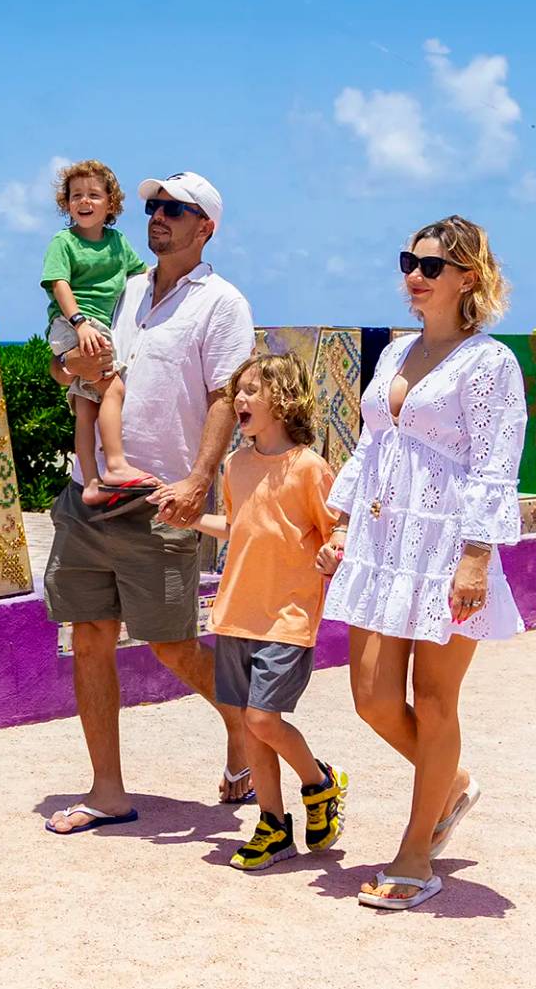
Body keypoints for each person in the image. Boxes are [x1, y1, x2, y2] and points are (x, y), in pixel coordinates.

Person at [314, 215, 526, 910]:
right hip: (383, 542)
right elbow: (373, 444)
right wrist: (341, 519)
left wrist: (474, 557)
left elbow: (496, 464)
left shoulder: (489, 361)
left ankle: (414, 852)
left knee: (435, 702)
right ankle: (452, 782)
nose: (414, 274)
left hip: (447, 547)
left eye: (431, 266)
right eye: (409, 261)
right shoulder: (396, 353)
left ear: (468, 277)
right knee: (372, 694)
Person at [43, 171, 259, 834]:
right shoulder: (132, 290)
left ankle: (240, 718)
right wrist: (62, 370)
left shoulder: (222, 303)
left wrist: (199, 480)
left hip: (165, 498)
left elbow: (228, 396)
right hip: (95, 495)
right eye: (152, 206)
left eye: (173, 207)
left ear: (205, 227)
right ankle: (107, 790)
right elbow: (98, 373)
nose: (156, 215)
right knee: (89, 637)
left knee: (170, 642)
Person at [191, 352, 349, 870]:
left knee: (263, 717)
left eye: (252, 390)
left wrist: (333, 552)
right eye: (238, 390)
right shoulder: (236, 464)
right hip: (236, 611)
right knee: (250, 721)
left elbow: (338, 533)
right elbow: (240, 529)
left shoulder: (309, 468)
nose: (239, 399)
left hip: (287, 616)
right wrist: (191, 519)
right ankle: (272, 824)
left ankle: (318, 783)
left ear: (283, 400)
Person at [38, 160, 153, 508]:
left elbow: (144, 275)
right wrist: (79, 322)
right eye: (76, 196)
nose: (84, 202)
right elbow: (59, 283)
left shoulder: (118, 244)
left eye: (93, 195)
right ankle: (115, 464)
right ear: (66, 204)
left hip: (95, 326)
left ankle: (90, 482)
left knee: (87, 406)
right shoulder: (64, 242)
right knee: (112, 387)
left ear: (111, 204)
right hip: (74, 324)